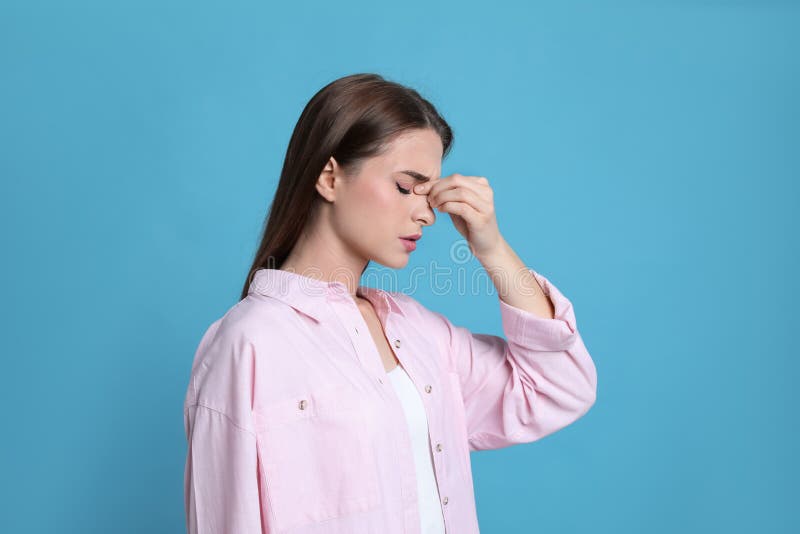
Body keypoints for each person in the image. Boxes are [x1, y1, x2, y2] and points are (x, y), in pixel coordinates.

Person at [183, 72, 598, 534]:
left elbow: (558, 387)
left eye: (431, 194)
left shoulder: (419, 333)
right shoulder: (249, 344)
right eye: (405, 186)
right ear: (329, 176)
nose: (426, 213)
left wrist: (492, 247)